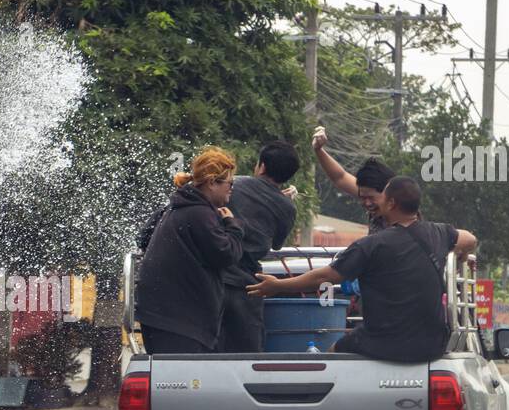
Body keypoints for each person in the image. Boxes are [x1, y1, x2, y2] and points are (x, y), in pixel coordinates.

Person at [247, 176, 478, 363]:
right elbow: (470, 239)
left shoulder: (372, 245)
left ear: (391, 203)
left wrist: (277, 285)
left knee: (332, 354)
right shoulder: (439, 233)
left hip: (385, 344)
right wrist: (461, 256)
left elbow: (325, 276)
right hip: (431, 347)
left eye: (383, 195)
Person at [135, 146, 247, 354]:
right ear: (212, 183)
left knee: (165, 379)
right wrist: (233, 226)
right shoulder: (200, 214)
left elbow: (143, 238)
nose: (232, 189)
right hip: (180, 318)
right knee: (182, 382)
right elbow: (226, 254)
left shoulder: (175, 206)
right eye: (230, 184)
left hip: (157, 310)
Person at [218, 141, 301, 353]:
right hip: (249, 283)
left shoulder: (234, 184)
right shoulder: (287, 208)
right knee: (247, 351)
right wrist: (282, 202)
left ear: (262, 166)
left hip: (215, 274)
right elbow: (277, 244)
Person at [311, 126, 396, 233]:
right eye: (363, 198)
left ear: (388, 191)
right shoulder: (369, 194)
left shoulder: (405, 216)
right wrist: (318, 149)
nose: (367, 203)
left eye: (371, 198)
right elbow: (340, 177)